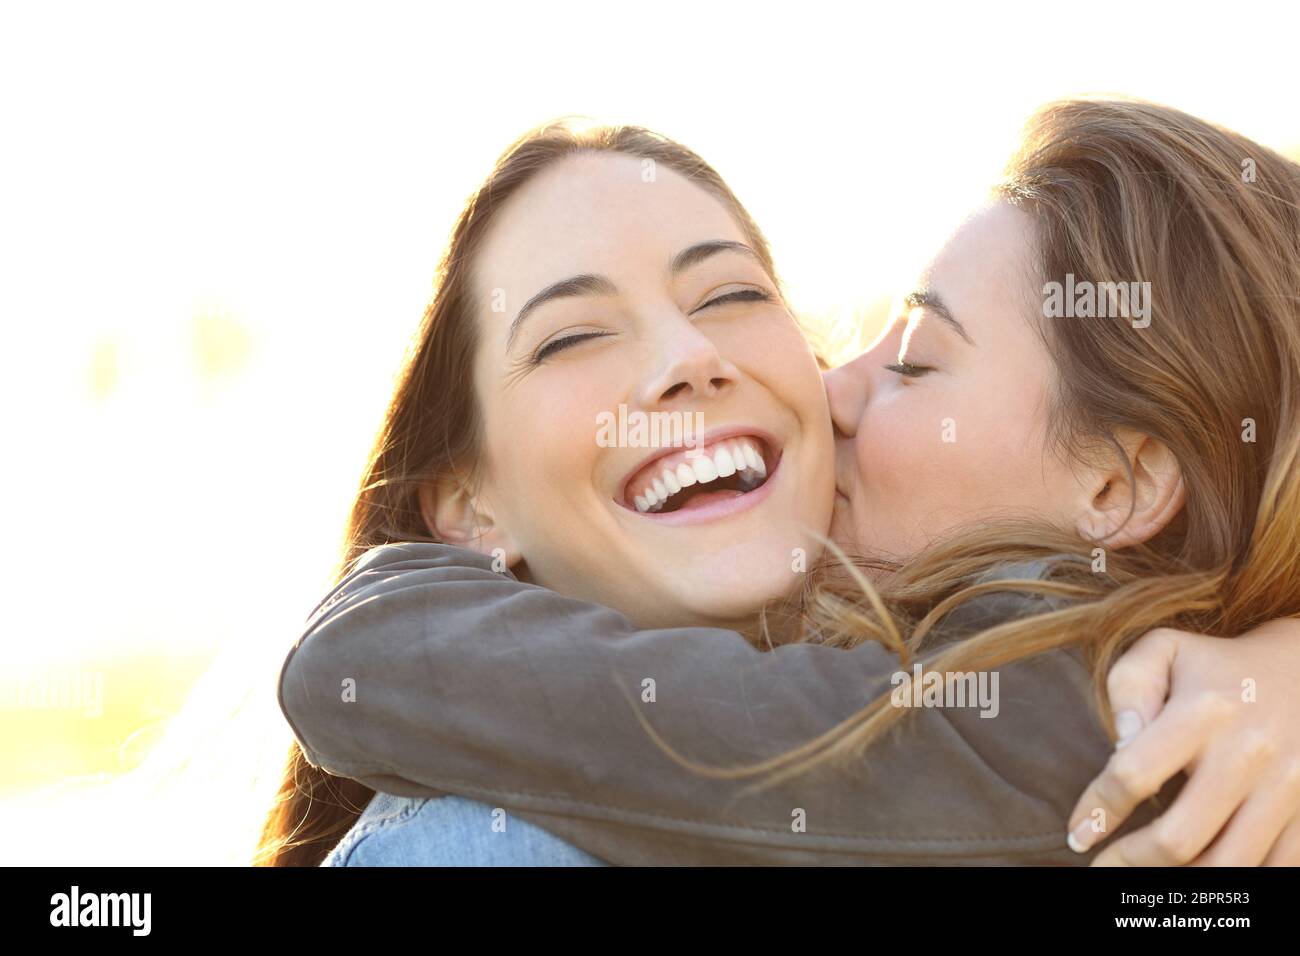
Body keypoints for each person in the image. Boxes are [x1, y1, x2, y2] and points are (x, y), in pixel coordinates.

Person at [266, 101, 1300, 866]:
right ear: (464, 500)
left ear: (1117, 488)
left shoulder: (1103, 711)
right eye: (572, 335)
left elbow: (362, 662)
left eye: (915, 362)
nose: (833, 383)